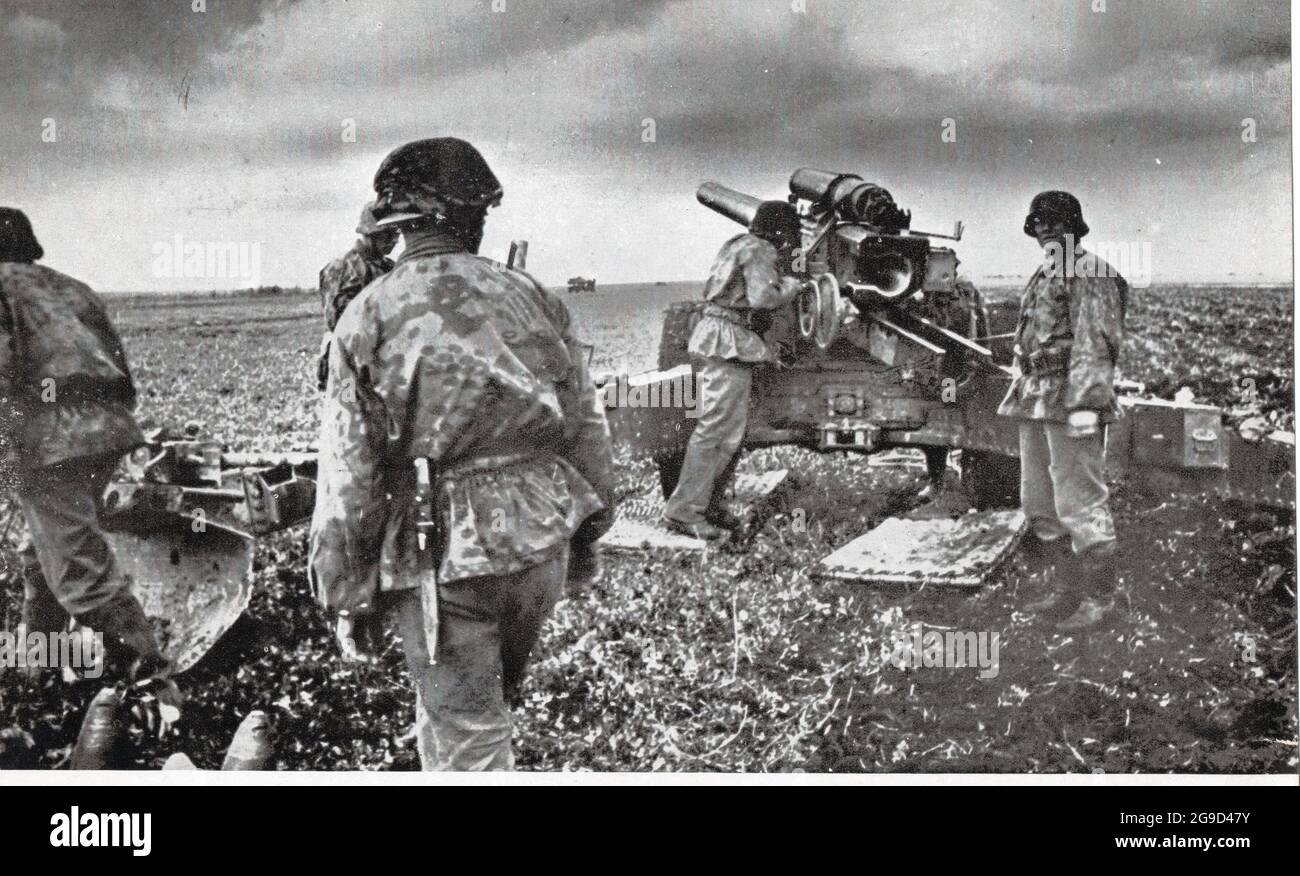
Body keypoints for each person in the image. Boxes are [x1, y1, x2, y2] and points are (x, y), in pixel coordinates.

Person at [309, 138, 616, 770]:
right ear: (474, 217)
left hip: (442, 551)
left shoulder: (367, 316)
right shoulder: (535, 297)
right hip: (539, 539)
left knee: (469, 732)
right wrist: (585, 536)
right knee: (479, 711)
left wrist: (345, 592)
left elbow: (349, 481)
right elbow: (587, 430)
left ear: (401, 225)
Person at [0, 207, 166, 678]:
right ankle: (40, 662)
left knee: (79, 571)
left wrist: (8, 464)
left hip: (48, 442)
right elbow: (123, 378)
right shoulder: (72, 288)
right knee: (46, 550)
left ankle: (155, 684)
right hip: (108, 430)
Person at [998, 191, 1128, 631]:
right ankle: (1066, 590)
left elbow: (1097, 343)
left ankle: (1101, 599)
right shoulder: (1044, 273)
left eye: (1055, 221)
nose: (1045, 228)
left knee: (1079, 499)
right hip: (1036, 395)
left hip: (1071, 399)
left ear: (1074, 226)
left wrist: (1086, 407)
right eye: (1038, 221)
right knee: (1039, 500)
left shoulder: (1091, 271)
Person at [661, 202, 804, 539]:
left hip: (721, 335)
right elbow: (762, 298)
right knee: (715, 431)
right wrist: (792, 287)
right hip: (728, 341)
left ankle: (708, 505)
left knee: (727, 434)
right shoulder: (761, 250)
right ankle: (684, 511)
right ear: (782, 232)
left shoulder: (738, 243)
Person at [315, 202, 398, 389]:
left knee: (382, 416)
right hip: (349, 363)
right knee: (348, 411)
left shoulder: (391, 268)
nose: (394, 240)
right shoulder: (342, 268)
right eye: (388, 235)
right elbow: (337, 321)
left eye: (397, 234)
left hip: (383, 364)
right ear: (370, 233)